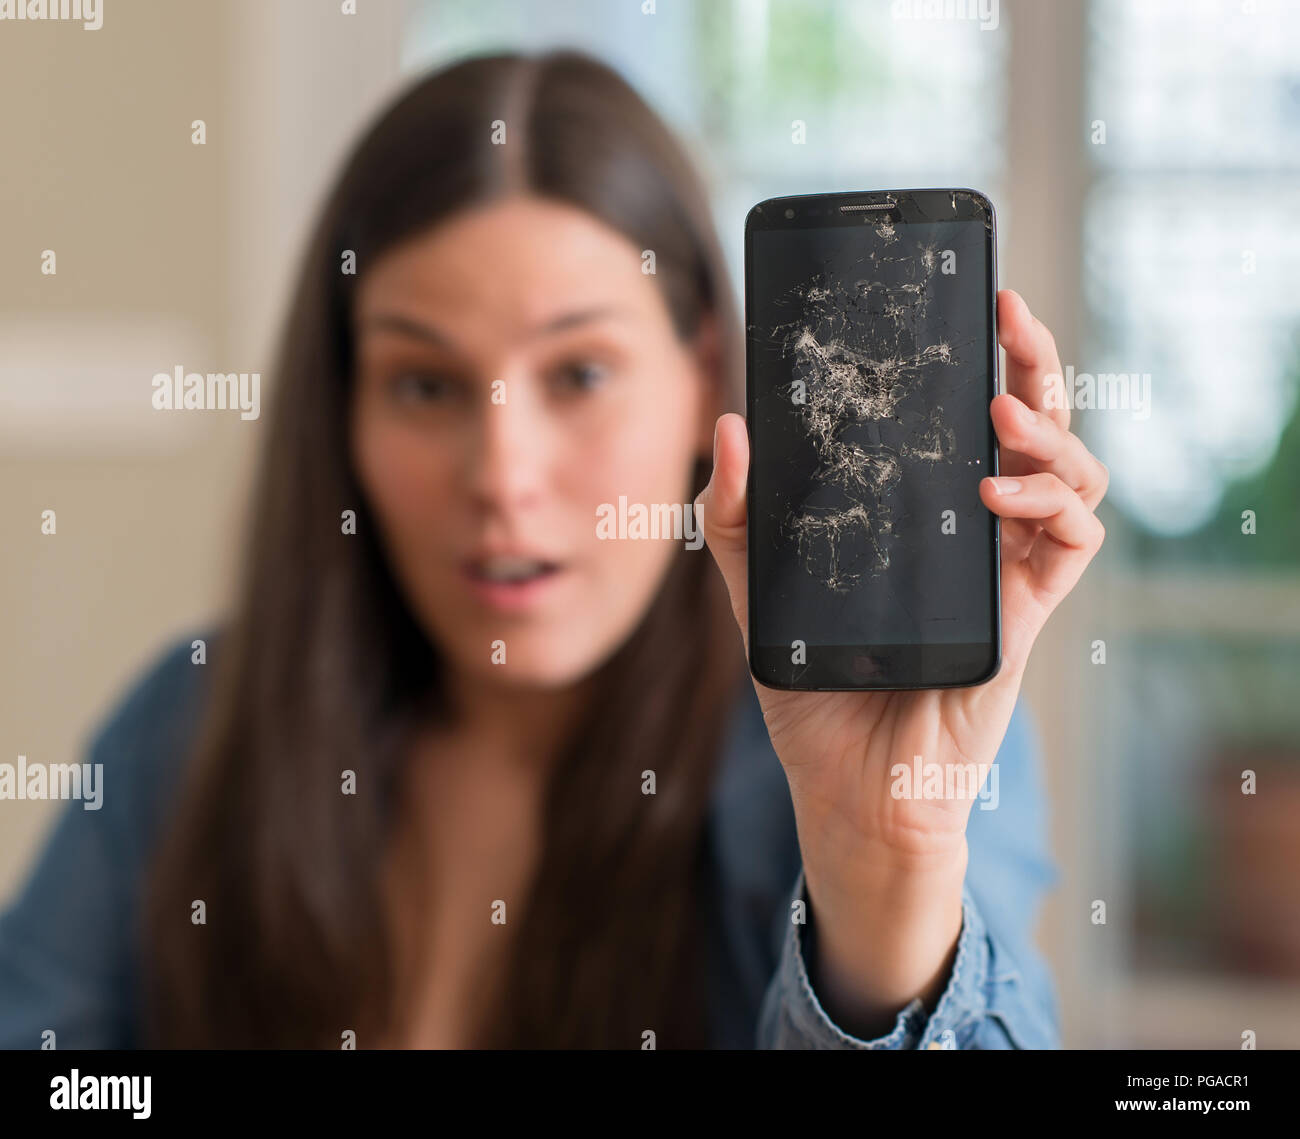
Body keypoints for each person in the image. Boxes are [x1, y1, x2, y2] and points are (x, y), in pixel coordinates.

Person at [0, 49, 1103, 1049]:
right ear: (342, 407)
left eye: (578, 373)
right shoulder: (189, 729)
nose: (501, 473)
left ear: (705, 378)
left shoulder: (892, 741)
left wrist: (882, 863)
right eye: (425, 384)